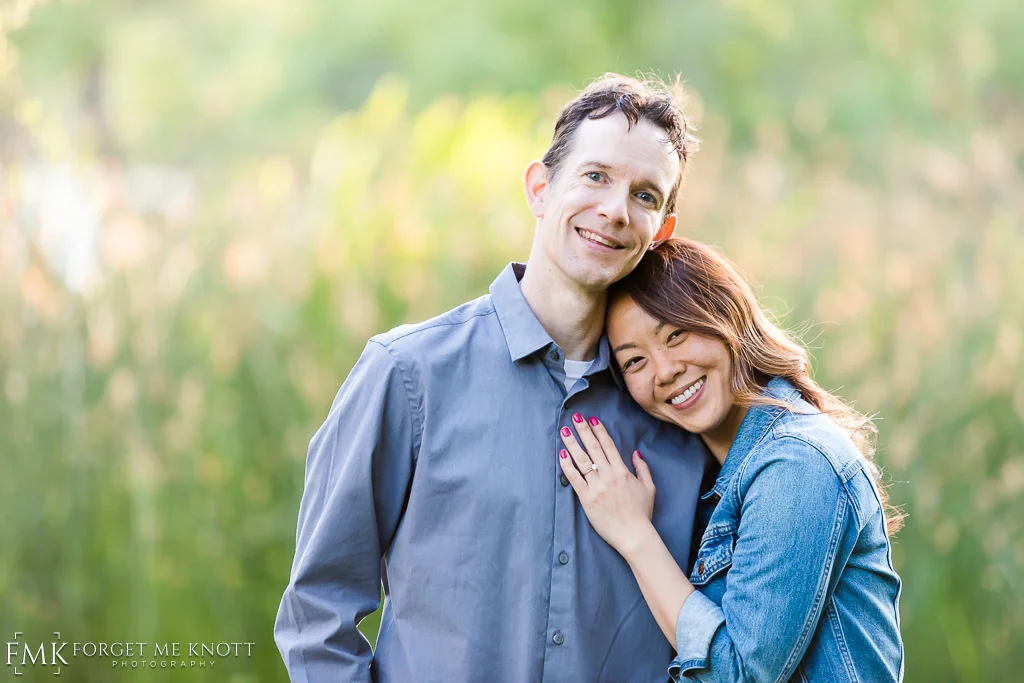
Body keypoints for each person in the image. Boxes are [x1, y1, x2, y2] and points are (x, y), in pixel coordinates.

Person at [275, 74, 708, 681]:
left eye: (644, 195)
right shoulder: (407, 376)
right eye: (595, 176)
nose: (614, 210)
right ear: (539, 187)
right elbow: (317, 612)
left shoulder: (678, 407)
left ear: (661, 229)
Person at [556, 238, 905, 682]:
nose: (664, 370)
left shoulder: (795, 462)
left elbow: (742, 673)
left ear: (726, 316)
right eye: (635, 361)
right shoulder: (709, 477)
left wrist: (634, 535)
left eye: (676, 335)